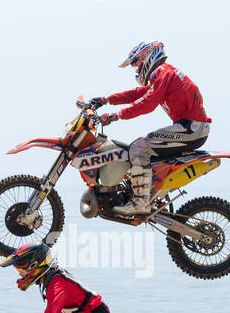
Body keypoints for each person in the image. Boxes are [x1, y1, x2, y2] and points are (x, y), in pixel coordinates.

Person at [86, 40, 212, 216]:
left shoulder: (163, 72)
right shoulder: (163, 74)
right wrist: (106, 100)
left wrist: (116, 115)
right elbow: (138, 93)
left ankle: (140, 202)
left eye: (136, 64)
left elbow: (147, 103)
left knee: (139, 147)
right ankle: (144, 191)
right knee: (142, 146)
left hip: (191, 128)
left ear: (146, 57)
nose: (137, 70)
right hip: (192, 127)